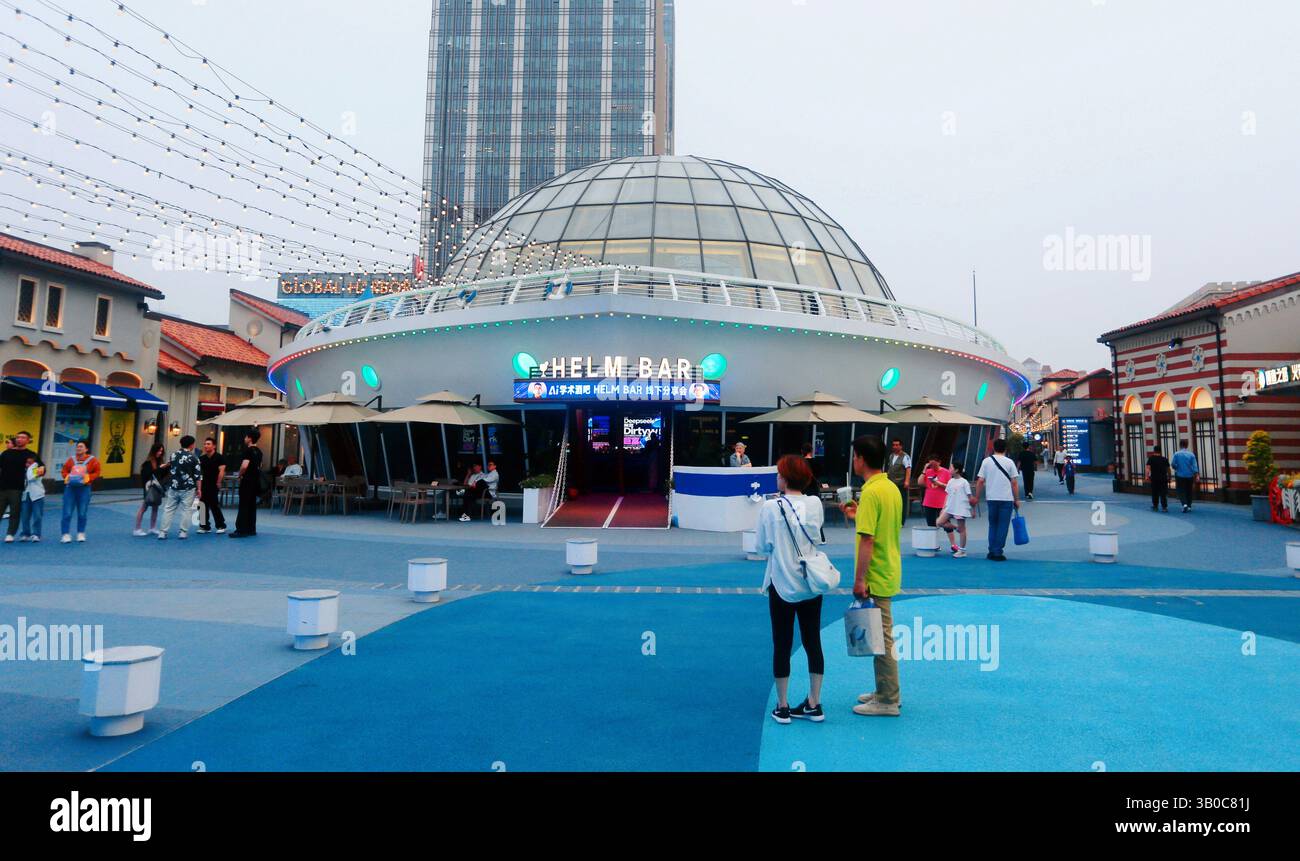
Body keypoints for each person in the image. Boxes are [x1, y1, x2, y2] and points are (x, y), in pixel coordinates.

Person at [755, 454, 826, 724]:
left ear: (783, 478)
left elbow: (762, 546)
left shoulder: (770, 508)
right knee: (812, 642)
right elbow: (817, 536)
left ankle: (782, 706)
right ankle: (814, 702)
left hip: (781, 583)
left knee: (782, 643)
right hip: (811, 582)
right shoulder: (815, 503)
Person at [839, 436, 903, 717]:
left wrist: (859, 580)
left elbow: (867, 540)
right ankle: (885, 689)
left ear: (862, 459)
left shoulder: (871, 492)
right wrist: (857, 514)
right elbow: (877, 525)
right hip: (889, 567)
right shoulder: (889, 488)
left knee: (883, 638)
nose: (853, 461)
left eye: (855, 456)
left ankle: (888, 699)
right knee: (880, 634)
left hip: (875, 573)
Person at [973, 438, 1021, 562]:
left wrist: (977, 497)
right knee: (1003, 525)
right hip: (1006, 499)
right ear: (1005, 449)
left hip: (991, 498)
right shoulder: (1009, 462)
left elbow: (980, 481)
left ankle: (991, 549)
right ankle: (998, 551)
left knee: (992, 524)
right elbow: (1014, 483)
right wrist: (1017, 499)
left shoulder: (986, 462)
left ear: (993, 448)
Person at [1, 430, 42, 543]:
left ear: (28, 440)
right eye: (18, 437)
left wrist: (41, 470)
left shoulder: (31, 455)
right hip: (2, 487)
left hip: (18, 489)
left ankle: (10, 534)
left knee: (14, 513)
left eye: (23, 437)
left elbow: (41, 467)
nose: (19, 439)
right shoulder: (6, 453)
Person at [157, 435, 201, 540]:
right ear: (191, 445)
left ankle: (163, 532)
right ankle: (183, 532)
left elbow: (170, 465)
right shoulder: (194, 458)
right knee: (186, 510)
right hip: (188, 487)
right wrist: (199, 489)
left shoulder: (173, 455)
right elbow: (198, 476)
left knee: (169, 509)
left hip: (174, 486)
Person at [59, 440, 101, 543]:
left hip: (84, 489)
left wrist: (88, 477)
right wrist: (67, 477)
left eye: (81, 447)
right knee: (67, 512)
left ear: (86, 449)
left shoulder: (93, 460)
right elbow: (64, 471)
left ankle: (81, 533)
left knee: (82, 512)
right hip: (70, 488)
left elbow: (97, 471)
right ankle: (65, 534)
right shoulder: (71, 460)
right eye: (77, 447)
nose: (78, 448)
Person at [230, 429, 264, 538]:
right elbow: (260, 466)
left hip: (247, 480)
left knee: (243, 504)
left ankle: (240, 529)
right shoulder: (259, 452)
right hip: (255, 481)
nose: (244, 439)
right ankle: (251, 528)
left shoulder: (248, 451)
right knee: (252, 505)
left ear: (249, 438)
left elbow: (244, 466)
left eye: (246, 437)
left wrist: (239, 475)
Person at [936, 464, 973, 557]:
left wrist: (972, 509)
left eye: (951, 468)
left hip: (960, 508)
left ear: (956, 470)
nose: (949, 469)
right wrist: (943, 508)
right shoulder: (950, 481)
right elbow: (947, 495)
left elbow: (969, 496)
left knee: (962, 528)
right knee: (939, 522)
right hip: (950, 508)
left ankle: (962, 550)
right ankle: (957, 528)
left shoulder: (964, 482)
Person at [133, 443, 166, 537]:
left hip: (157, 487)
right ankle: (137, 528)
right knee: (144, 508)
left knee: (155, 508)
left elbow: (161, 475)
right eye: (158, 451)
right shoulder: (148, 463)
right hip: (149, 487)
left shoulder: (159, 461)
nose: (160, 453)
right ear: (154, 451)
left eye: (161, 451)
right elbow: (147, 475)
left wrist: (166, 468)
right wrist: (159, 468)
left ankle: (153, 527)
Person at [198, 437, 227, 534]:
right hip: (203, 484)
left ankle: (221, 525)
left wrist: (218, 482)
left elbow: (222, 471)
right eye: (205, 444)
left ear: (214, 446)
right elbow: (199, 473)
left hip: (214, 484)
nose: (206, 446)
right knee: (202, 505)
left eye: (208, 444)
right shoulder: (201, 458)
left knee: (214, 504)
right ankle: (204, 526)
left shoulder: (219, 457)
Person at [17, 454, 46, 542]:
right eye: (26, 462)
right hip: (26, 495)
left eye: (30, 462)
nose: (28, 464)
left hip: (37, 495)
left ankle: (36, 534)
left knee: (37, 516)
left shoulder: (39, 468)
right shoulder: (23, 470)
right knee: (25, 516)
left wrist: (33, 465)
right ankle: (25, 533)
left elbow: (30, 478)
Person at [917, 455, 951, 526]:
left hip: (941, 502)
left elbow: (950, 487)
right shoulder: (928, 471)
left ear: (939, 462)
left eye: (934, 464)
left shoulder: (946, 472)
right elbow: (920, 483)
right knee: (931, 525)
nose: (932, 467)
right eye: (931, 465)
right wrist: (924, 470)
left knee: (946, 524)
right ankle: (932, 537)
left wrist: (939, 484)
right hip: (929, 502)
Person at [886, 439, 912, 525]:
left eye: (897, 445)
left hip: (901, 483)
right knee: (892, 502)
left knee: (902, 502)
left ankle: (901, 521)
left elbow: (908, 469)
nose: (895, 447)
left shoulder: (905, 456)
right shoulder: (891, 456)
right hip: (891, 483)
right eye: (893, 445)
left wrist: (907, 481)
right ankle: (893, 519)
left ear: (901, 446)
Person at [1171, 441, 1200, 513]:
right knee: (1189, 490)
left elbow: (1173, 464)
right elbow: (1194, 466)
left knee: (1181, 490)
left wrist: (1176, 468)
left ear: (1180, 445)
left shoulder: (1176, 454)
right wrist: (1196, 475)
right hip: (1190, 475)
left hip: (1180, 475)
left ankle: (1184, 504)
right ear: (1187, 445)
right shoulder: (1191, 455)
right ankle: (1189, 506)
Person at [1146, 446, 1171, 512]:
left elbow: (1148, 468)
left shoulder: (1151, 459)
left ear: (1154, 451)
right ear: (1160, 451)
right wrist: (1169, 477)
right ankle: (1164, 507)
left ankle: (1155, 506)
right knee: (1163, 493)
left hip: (1154, 478)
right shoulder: (1164, 459)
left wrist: (1147, 476)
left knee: (1154, 492)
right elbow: (1168, 469)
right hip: (1163, 478)